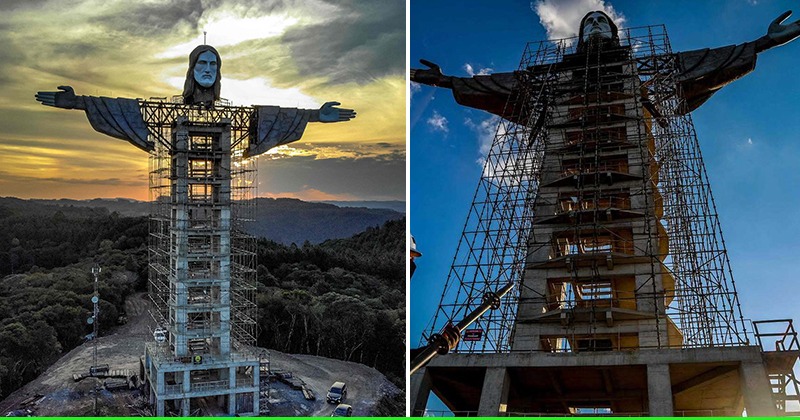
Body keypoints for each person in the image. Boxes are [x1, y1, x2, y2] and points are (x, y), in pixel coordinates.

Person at [411, 10, 800, 116]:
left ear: (614, 34)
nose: (596, 25)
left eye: (602, 21)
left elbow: (709, 61)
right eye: (589, 23)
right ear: (580, 37)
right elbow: (495, 84)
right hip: (567, 157)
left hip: (626, 144)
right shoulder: (550, 77)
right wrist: (442, 81)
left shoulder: (648, 69)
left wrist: (765, 42)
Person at [34, 44, 356, 156]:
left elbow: (275, 116)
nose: (207, 70)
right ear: (192, 69)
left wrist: (315, 115)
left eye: (213, 65)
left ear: (219, 72)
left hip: (222, 160)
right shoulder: (167, 111)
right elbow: (126, 108)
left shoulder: (240, 114)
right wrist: (78, 103)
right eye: (201, 64)